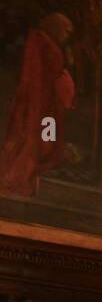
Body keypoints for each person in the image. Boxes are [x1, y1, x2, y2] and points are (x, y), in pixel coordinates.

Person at [0, 12, 76, 196]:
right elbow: (37, 75)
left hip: (50, 107)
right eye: (65, 31)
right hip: (40, 105)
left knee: (47, 141)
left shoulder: (51, 45)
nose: (66, 36)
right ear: (56, 26)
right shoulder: (40, 40)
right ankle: (20, 177)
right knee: (36, 141)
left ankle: (34, 173)